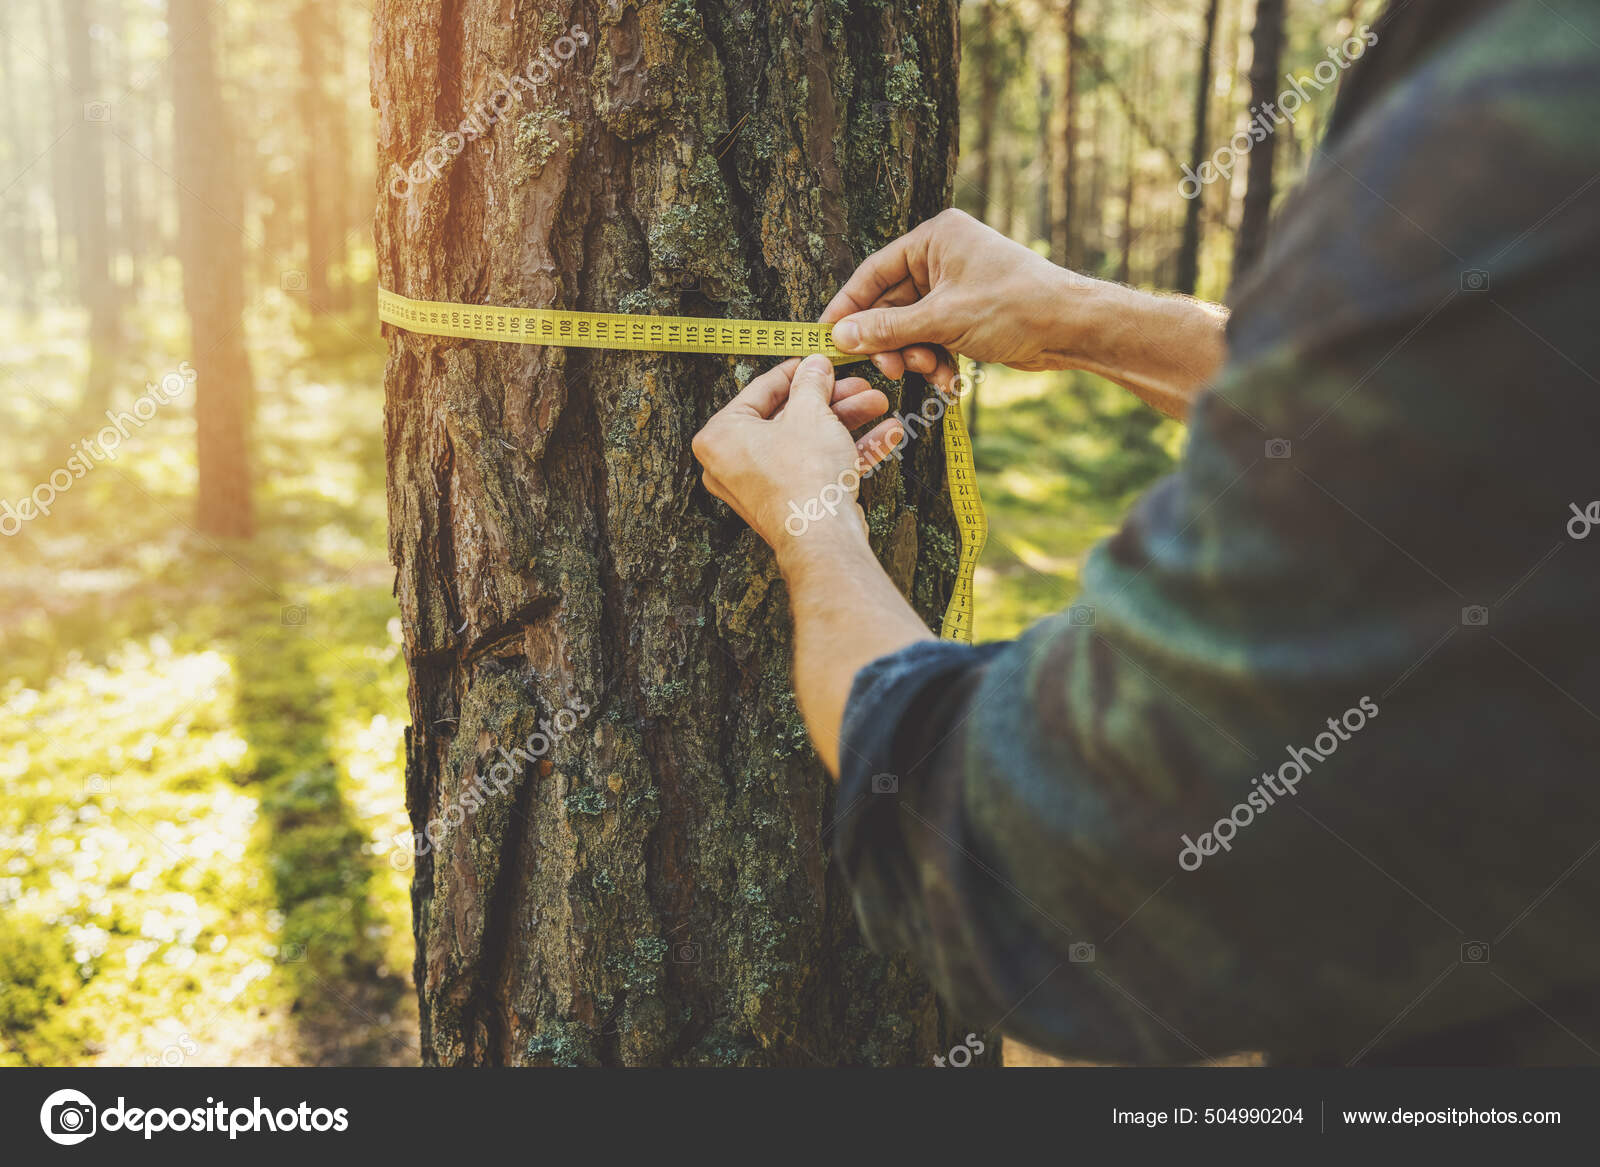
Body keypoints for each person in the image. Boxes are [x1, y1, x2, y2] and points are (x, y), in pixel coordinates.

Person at [691, 0, 1600, 1065]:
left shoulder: (1528, 108)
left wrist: (813, 523)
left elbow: (1049, 848)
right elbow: (1460, 420)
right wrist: (1081, 317)